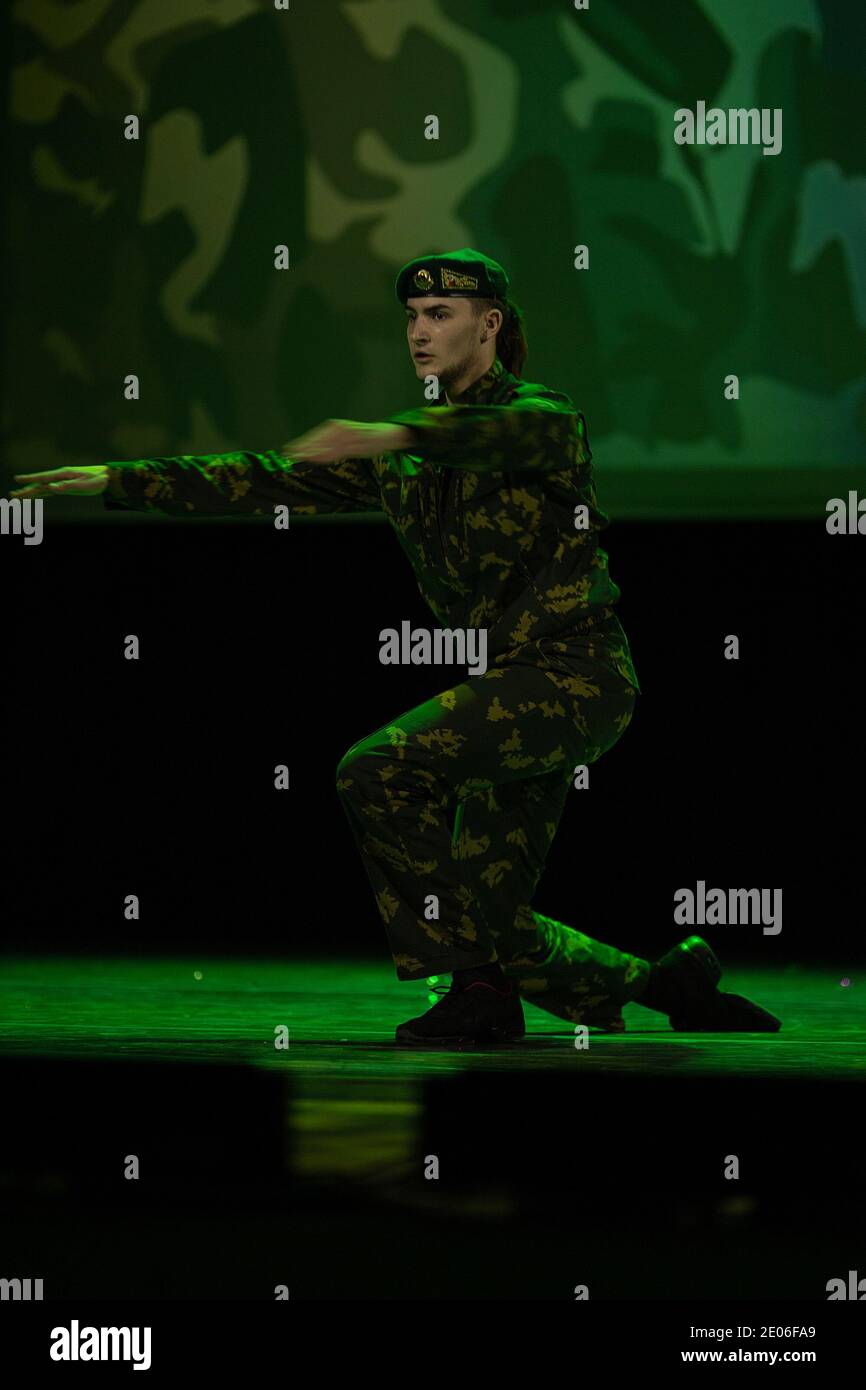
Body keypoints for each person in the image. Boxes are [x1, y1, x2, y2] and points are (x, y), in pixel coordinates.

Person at [10, 247, 781, 1046]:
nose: (419, 330)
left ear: (488, 326)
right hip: (512, 687)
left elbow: (511, 432)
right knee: (486, 916)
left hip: (575, 676)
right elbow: (263, 478)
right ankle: (665, 984)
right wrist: (118, 479)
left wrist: (388, 432)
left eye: (440, 315)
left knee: (376, 768)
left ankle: (478, 993)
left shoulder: (539, 417)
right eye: (412, 316)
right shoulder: (401, 455)